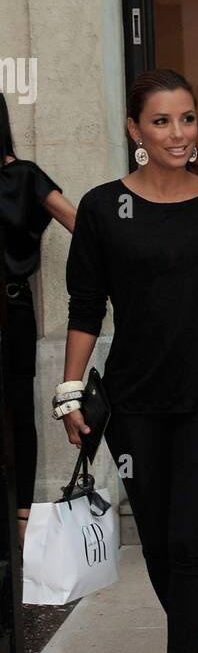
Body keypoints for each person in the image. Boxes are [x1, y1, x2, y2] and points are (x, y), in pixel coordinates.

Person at [59, 69, 198, 653]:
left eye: (187, 119)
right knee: (161, 546)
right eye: (161, 121)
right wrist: (69, 392)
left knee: (188, 542)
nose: (178, 134)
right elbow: (85, 306)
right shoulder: (103, 208)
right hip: (133, 403)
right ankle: (193, 646)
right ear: (135, 129)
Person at [0, 94, 77, 550]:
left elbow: (82, 224)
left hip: (11, 313)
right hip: (15, 312)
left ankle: (22, 517)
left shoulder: (25, 176)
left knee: (16, 411)